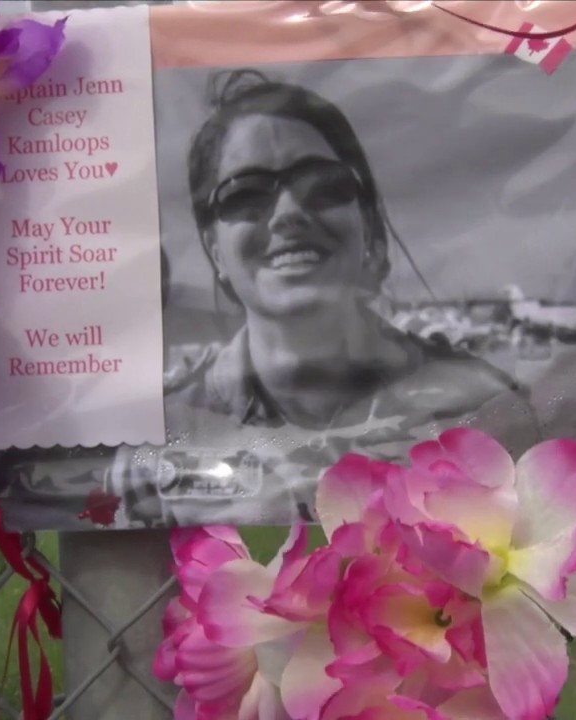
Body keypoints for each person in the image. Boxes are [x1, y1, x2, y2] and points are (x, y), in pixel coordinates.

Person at [104, 69, 544, 527]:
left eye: (323, 184)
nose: (289, 213)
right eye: (246, 194)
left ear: (367, 223)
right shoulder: (160, 439)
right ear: (215, 249)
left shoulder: (480, 411)